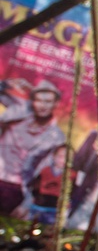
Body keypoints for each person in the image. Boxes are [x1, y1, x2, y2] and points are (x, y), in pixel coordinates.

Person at [0, 82, 65, 217]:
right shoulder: (17, 113)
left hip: (16, 189)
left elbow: (44, 173)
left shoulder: (57, 137)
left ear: (56, 104)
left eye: (48, 101)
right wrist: (8, 83)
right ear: (32, 102)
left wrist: (27, 203)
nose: (43, 105)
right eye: (39, 101)